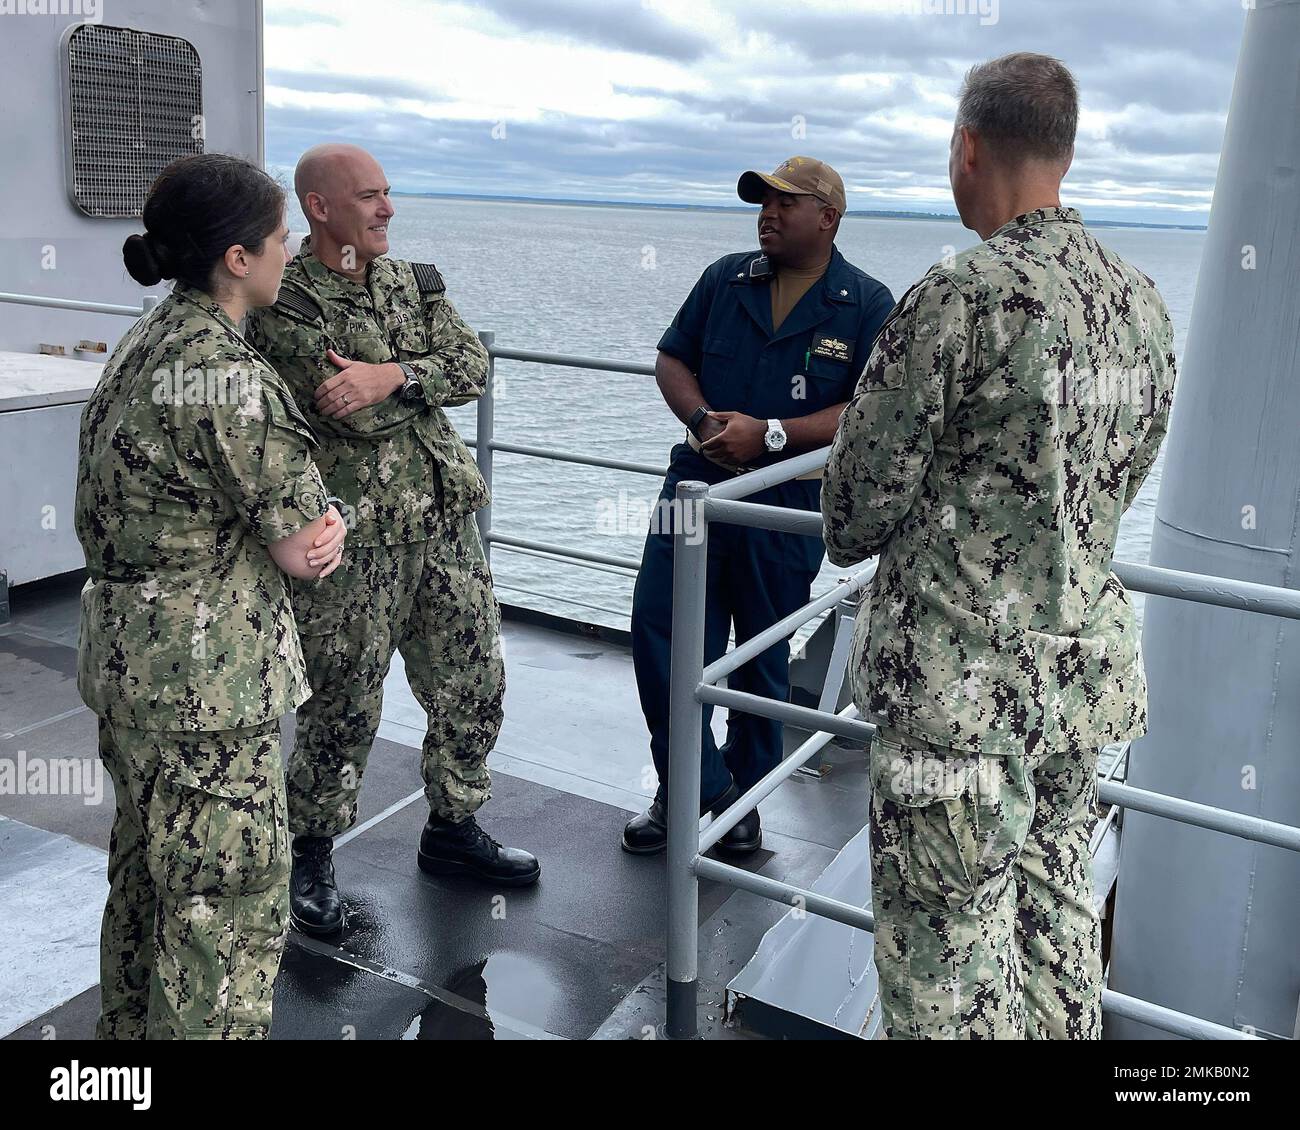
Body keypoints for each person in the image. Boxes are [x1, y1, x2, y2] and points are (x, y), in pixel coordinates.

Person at [822, 52, 1177, 1039]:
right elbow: (1113, 486)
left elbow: (854, 509)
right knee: (1057, 921)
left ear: (967, 147)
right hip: (1073, 688)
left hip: (954, 695)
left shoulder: (959, 296)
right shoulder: (1140, 303)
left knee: (944, 957)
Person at [76, 153, 347, 1039]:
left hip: (130, 674)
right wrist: (331, 527)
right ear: (238, 257)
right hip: (208, 694)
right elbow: (303, 550)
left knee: (147, 885)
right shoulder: (229, 376)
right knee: (226, 915)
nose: (289, 253)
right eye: (279, 239)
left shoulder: (148, 342)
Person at [246, 143, 538, 937]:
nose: (387, 209)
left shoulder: (411, 280)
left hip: (442, 520)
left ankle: (452, 828)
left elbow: (472, 363)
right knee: (345, 701)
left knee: (473, 678)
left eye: (388, 193)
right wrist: (404, 379)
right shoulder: (284, 300)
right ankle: (311, 850)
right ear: (319, 207)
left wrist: (393, 376)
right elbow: (342, 404)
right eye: (370, 196)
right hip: (356, 538)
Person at [623, 157, 895, 855]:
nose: (767, 214)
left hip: (787, 505)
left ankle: (737, 806)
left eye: (786, 203)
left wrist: (771, 433)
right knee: (661, 636)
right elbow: (671, 359)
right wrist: (703, 418)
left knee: (762, 659)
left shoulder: (865, 302)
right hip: (694, 489)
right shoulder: (724, 278)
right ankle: (704, 793)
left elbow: (868, 409)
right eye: (762, 203)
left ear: (828, 217)